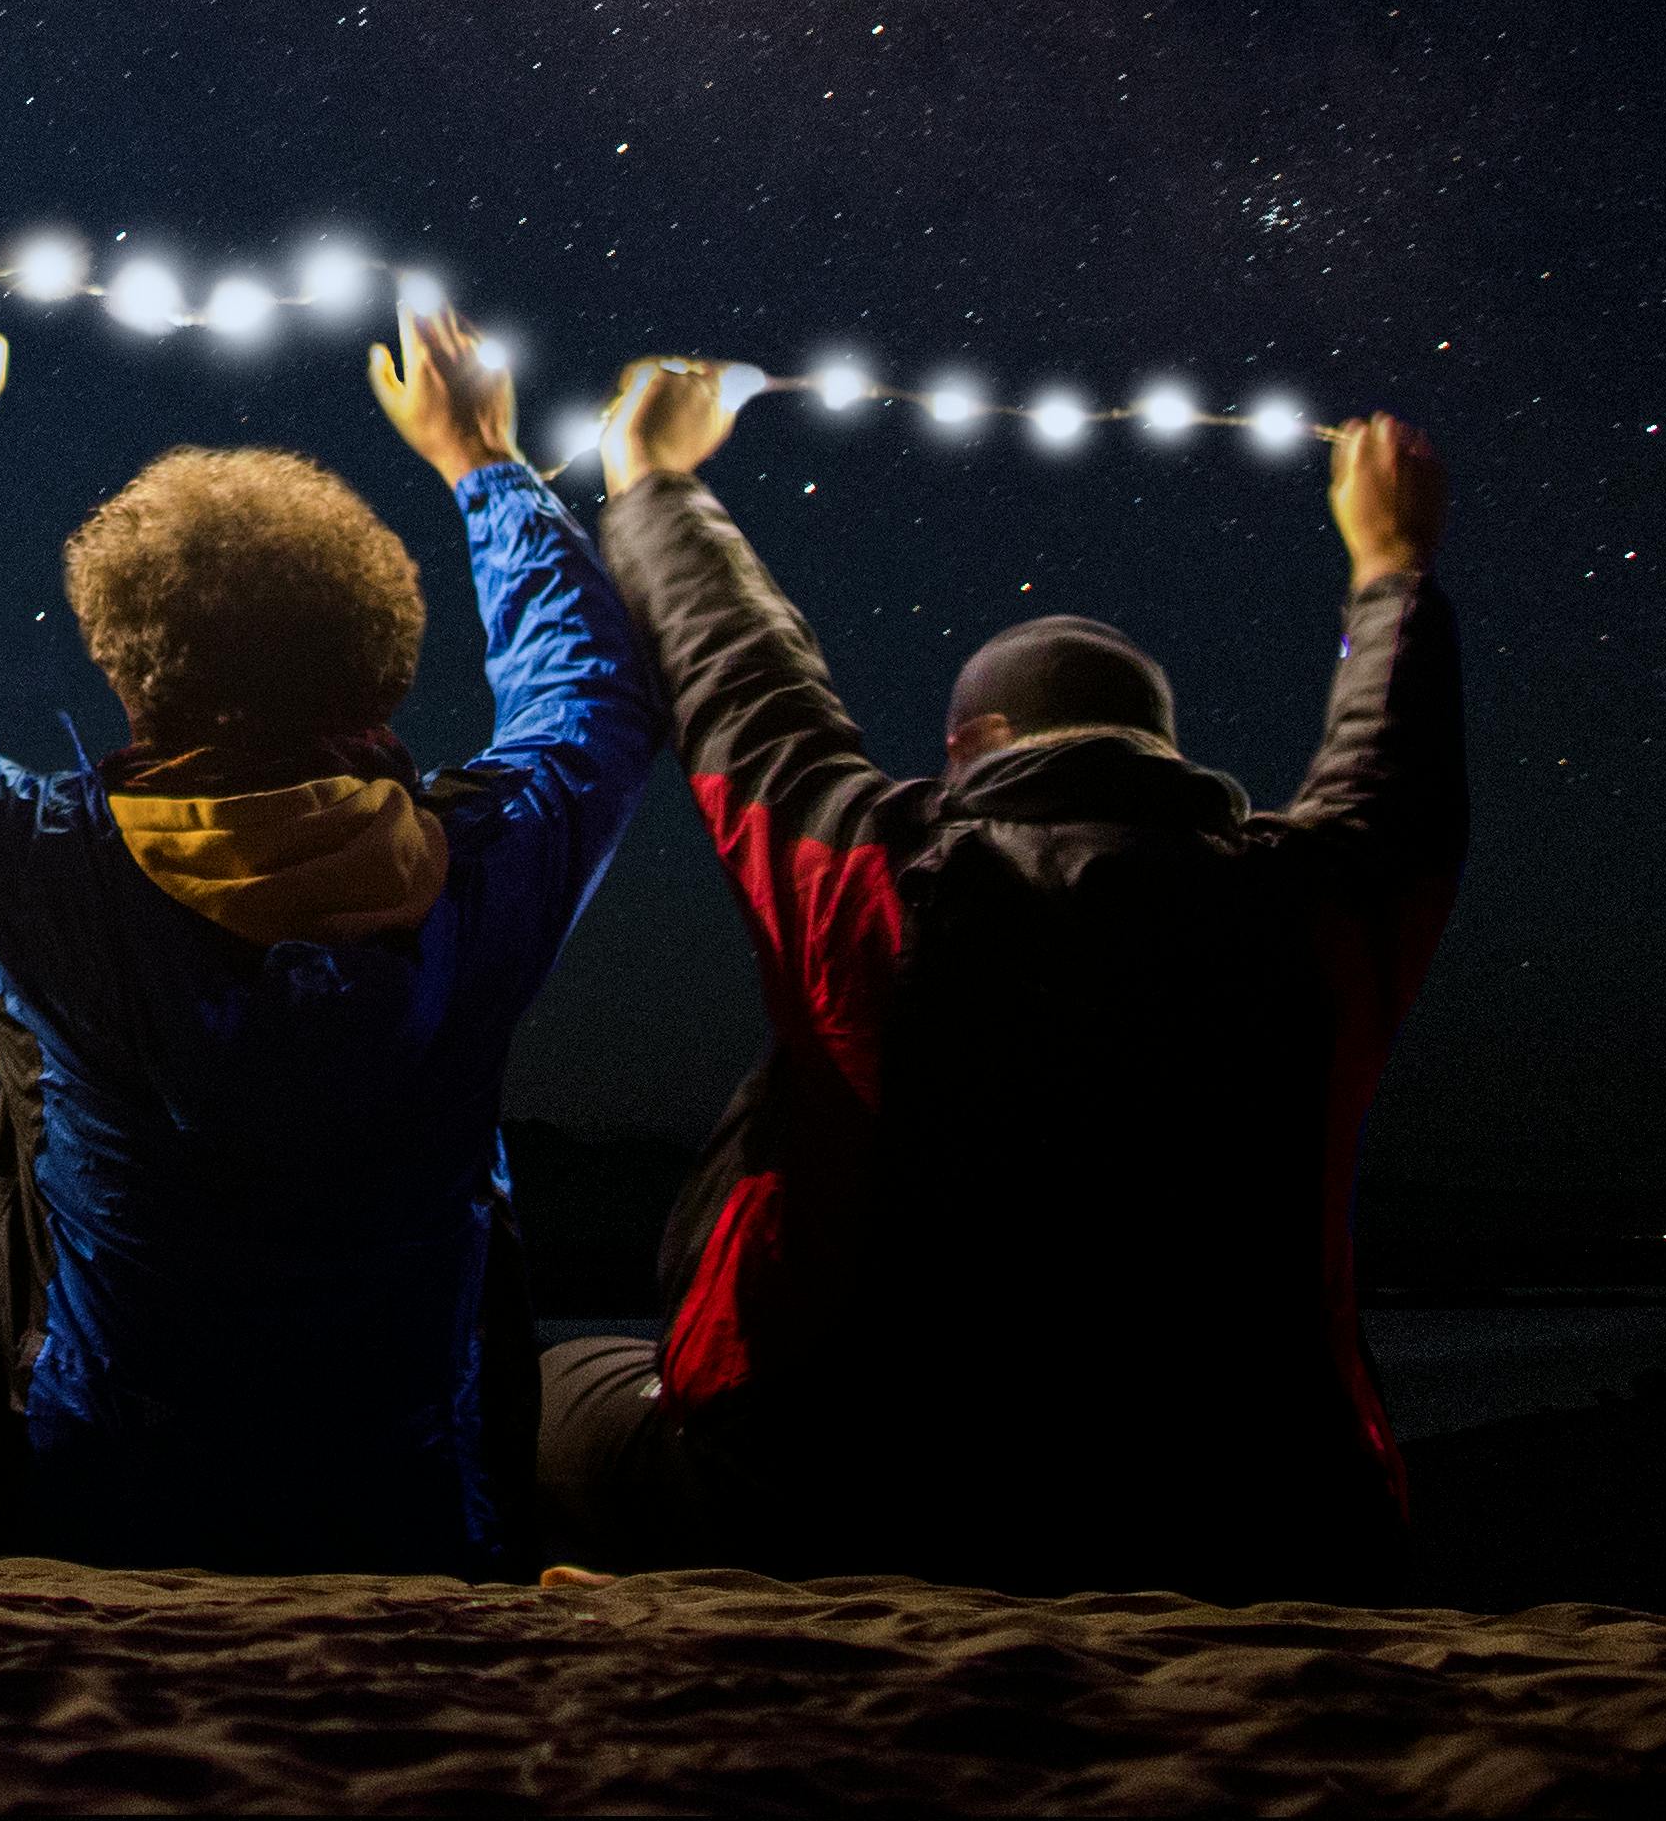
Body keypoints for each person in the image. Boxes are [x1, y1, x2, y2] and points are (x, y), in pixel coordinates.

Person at [524, 362, 1466, 1596]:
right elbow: (1392, 764)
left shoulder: (874, 873)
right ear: (1162, 751)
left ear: (969, 747)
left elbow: (740, 677)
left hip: (835, 1498)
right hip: (1269, 1513)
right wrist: (1391, 563)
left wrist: (651, 482)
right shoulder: (1311, 905)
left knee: (544, 1390)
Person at [0, 274, 664, 1578]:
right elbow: (592, 695)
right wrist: (486, 465)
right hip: (408, 1523)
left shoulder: (49, 880)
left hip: (94, 1519)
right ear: (384, 662)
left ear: (122, 668)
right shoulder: (482, 879)